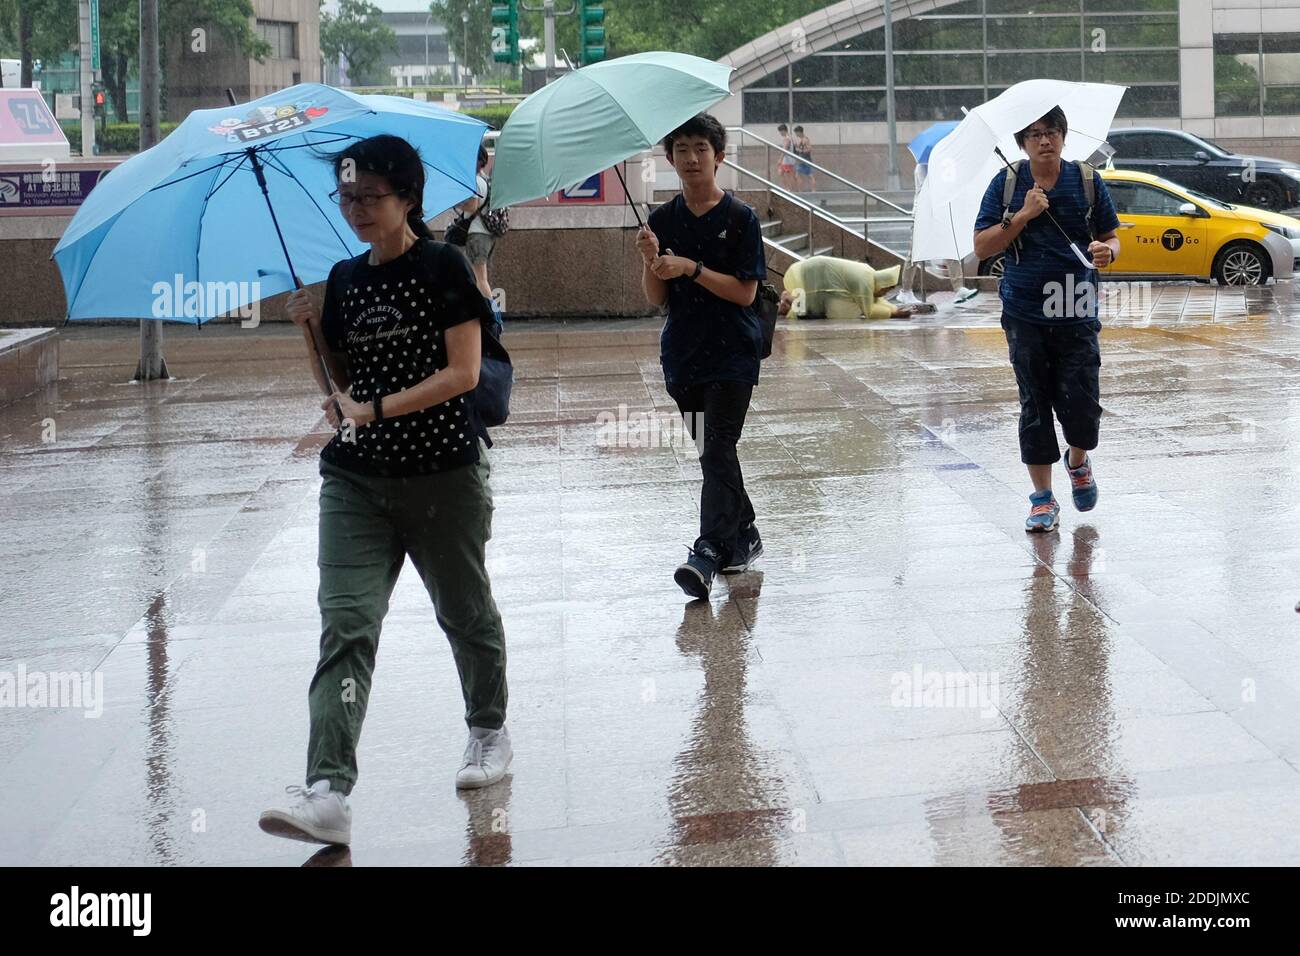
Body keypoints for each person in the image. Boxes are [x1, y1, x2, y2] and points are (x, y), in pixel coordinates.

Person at [261, 134, 511, 847]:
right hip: (355, 482)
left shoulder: (444, 267)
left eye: (371, 196)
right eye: (347, 197)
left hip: (444, 476)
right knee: (347, 627)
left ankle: (488, 732)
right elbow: (339, 394)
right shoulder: (342, 280)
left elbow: (463, 374)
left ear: (408, 198)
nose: (357, 209)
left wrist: (374, 408)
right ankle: (327, 789)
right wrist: (312, 333)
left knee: (464, 611)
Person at [635, 113, 767, 600]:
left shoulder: (740, 219)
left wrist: (691, 267)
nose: (692, 158)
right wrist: (651, 259)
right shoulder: (662, 221)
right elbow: (655, 297)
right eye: (682, 149)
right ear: (669, 158)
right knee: (715, 455)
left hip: (732, 354)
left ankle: (707, 552)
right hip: (683, 357)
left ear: (719, 156)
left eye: (701, 149)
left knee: (716, 449)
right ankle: (745, 534)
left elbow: (745, 293)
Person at [972, 106, 1120, 533]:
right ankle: (1042, 498)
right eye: (1035, 133)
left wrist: (1109, 253)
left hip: (1075, 308)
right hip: (1024, 312)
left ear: (1063, 136)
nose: (1044, 140)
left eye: (1051, 132)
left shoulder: (1088, 181)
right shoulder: (1007, 184)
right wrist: (1023, 215)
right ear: (1023, 141)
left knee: (1082, 403)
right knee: (1034, 404)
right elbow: (982, 247)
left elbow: (1112, 237)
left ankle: (1078, 461)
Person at [900, 159, 977, 304]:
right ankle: (905, 291)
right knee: (914, 254)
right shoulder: (922, 168)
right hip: (923, 214)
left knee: (950, 247)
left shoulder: (939, 164)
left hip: (939, 213)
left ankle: (959, 288)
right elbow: (930, 190)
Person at [780, 255, 918, 320]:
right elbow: (869, 311)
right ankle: (787, 298)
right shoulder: (865, 282)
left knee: (812, 306)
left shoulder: (870, 274)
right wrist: (894, 314)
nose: (884, 293)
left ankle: (786, 303)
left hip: (820, 269)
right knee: (809, 305)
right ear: (882, 283)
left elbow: (876, 301)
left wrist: (895, 308)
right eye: (886, 289)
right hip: (817, 270)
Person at [453, 144, 501, 328]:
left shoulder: (475, 181)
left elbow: (472, 206)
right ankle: (489, 316)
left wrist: (456, 202)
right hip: (486, 234)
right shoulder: (486, 180)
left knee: (479, 278)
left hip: (476, 234)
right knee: (480, 277)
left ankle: (492, 319)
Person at [792, 125, 816, 192]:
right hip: (801, 160)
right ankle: (800, 190)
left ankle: (813, 190)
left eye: (796, 133)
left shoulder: (805, 139)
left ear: (799, 132)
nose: (796, 134)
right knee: (798, 175)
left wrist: (801, 151)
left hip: (806, 160)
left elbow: (809, 149)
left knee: (810, 175)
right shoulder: (800, 140)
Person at [776, 123, 797, 193]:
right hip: (789, 160)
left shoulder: (786, 138)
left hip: (787, 160)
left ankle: (789, 189)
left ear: (783, 131)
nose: (780, 133)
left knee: (788, 175)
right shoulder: (790, 137)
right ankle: (788, 189)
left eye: (780, 131)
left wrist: (780, 159)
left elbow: (784, 149)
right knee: (781, 173)